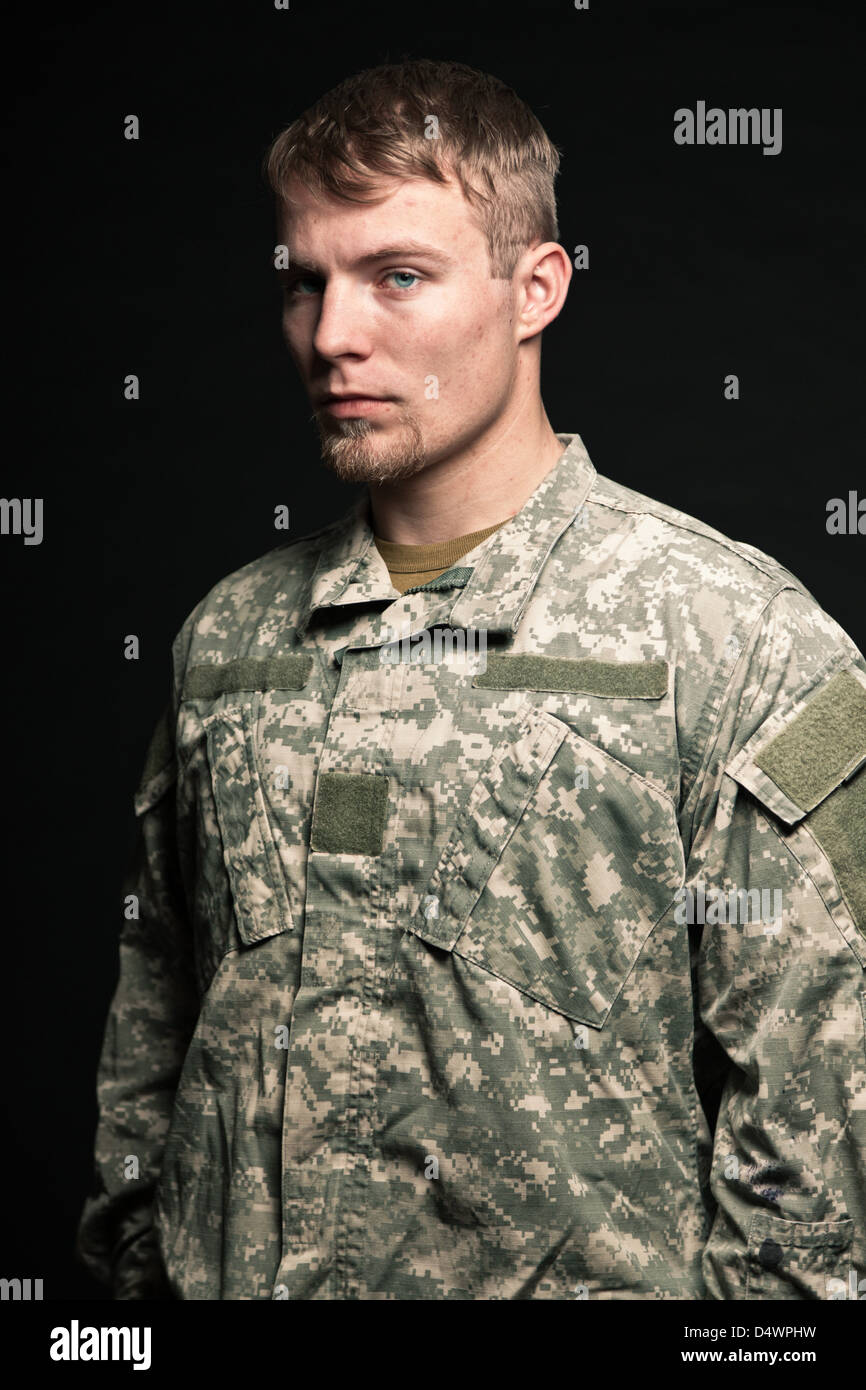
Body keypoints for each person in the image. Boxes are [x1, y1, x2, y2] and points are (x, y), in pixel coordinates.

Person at [78, 58, 866, 1300]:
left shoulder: (738, 640)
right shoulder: (225, 642)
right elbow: (154, 1036)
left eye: (396, 276)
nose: (334, 334)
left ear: (532, 290)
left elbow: (817, 1154)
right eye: (305, 282)